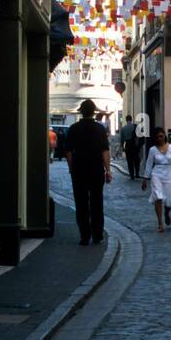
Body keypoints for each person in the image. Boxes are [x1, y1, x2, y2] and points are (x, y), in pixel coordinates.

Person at [66, 99, 112, 245]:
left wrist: (71, 168)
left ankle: (84, 235)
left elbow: (68, 152)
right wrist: (108, 170)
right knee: (97, 202)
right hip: (96, 170)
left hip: (79, 170)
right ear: (93, 112)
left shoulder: (73, 128)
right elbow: (105, 151)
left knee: (81, 203)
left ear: (81, 111)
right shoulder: (100, 129)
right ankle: (97, 234)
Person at [142, 127, 171, 234]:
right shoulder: (152, 150)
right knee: (158, 197)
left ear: (164, 136)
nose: (159, 138)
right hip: (156, 174)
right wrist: (145, 178)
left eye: (161, 136)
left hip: (168, 175)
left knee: (168, 202)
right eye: (157, 137)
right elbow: (149, 164)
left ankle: (167, 213)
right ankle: (160, 223)